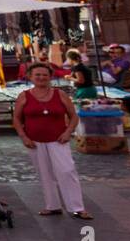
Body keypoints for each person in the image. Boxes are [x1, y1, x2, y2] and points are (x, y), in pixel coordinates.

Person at [13, 62, 91, 219]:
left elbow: (73, 116)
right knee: (45, 173)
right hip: (34, 141)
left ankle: (77, 207)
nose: (41, 77)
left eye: (45, 75)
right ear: (30, 77)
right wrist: (24, 136)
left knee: (67, 171)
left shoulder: (60, 94)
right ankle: (53, 205)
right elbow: (16, 118)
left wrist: (68, 132)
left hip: (58, 140)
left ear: (50, 77)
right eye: (37, 75)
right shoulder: (24, 96)